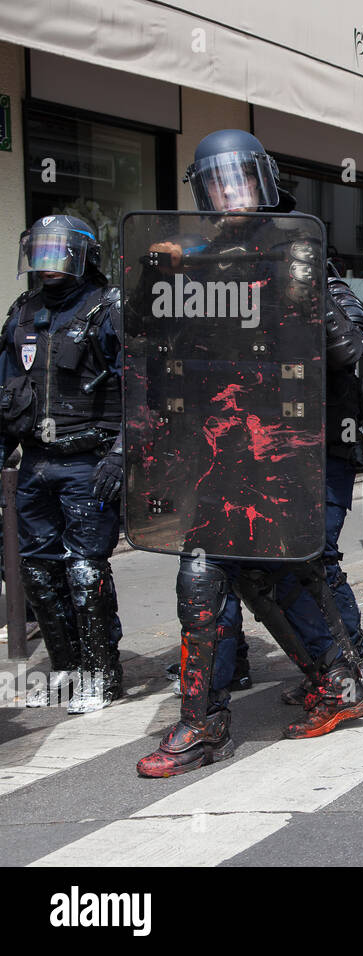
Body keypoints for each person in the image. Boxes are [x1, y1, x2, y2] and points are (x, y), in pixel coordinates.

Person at [136, 130, 363, 777]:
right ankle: (225, 714)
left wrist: (303, 281)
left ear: (263, 181)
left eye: (237, 180)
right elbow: (169, 356)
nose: (227, 194)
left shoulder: (301, 246)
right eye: (214, 185)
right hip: (233, 446)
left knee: (297, 565)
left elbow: (352, 346)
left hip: (304, 444)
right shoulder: (204, 262)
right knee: (216, 571)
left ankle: (338, 677)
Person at [0, 216, 125, 713]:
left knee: (83, 569)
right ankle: (67, 670)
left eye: (60, 253)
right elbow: (5, 391)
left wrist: (120, 454)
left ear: (85, 254)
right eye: (41, 252)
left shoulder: (109, 309)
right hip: (35, 462)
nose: (48, 265)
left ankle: (101, 673)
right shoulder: (23, 312)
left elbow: (143, 390)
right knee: (35, 571)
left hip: (88, 461)